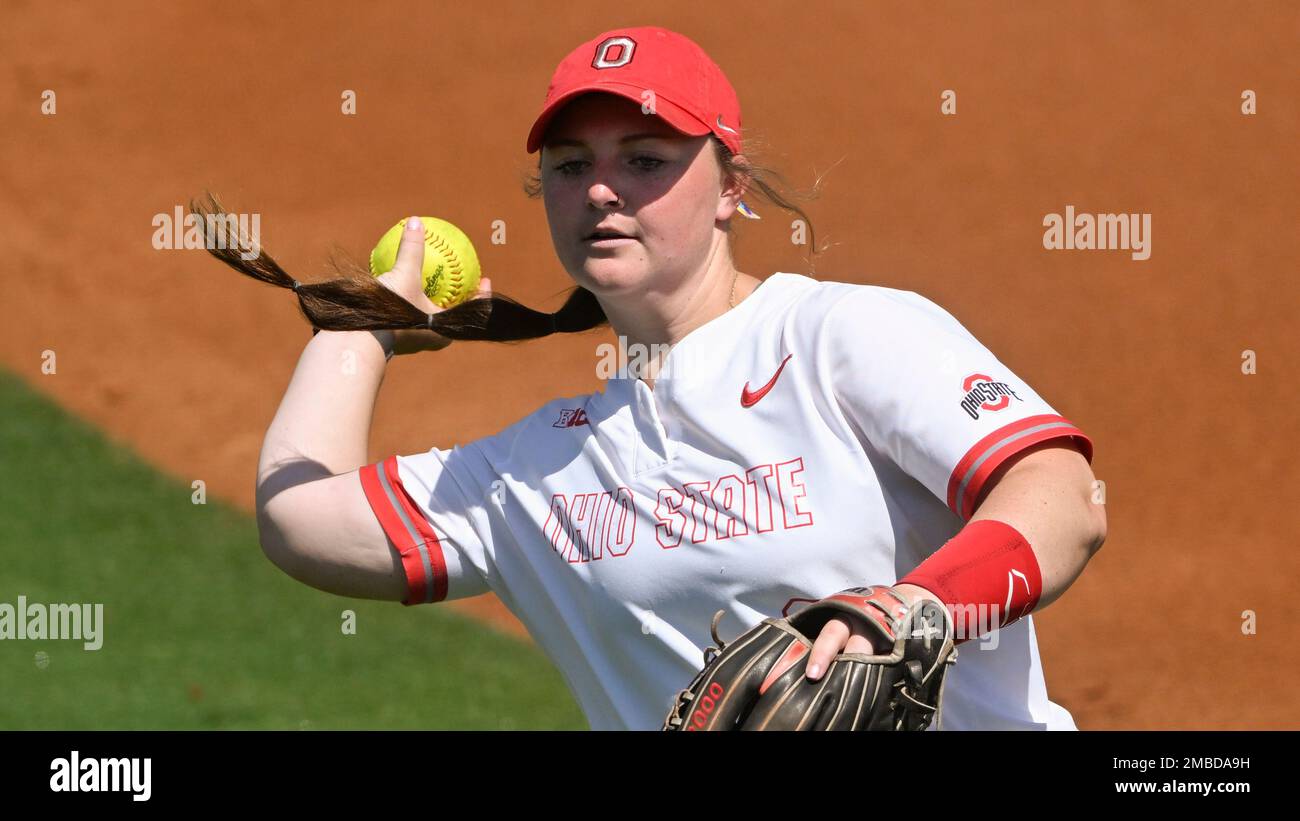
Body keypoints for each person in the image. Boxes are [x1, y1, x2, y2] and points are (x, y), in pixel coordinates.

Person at [239, 26, 1107, 730]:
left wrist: (913, 608)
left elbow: (1062, 494)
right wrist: (364, 331)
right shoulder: (539, 468)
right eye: (572, 166)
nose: (602, 191)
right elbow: (299, 518)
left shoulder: (839, 335)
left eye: (645, 160)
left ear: (730, 186)